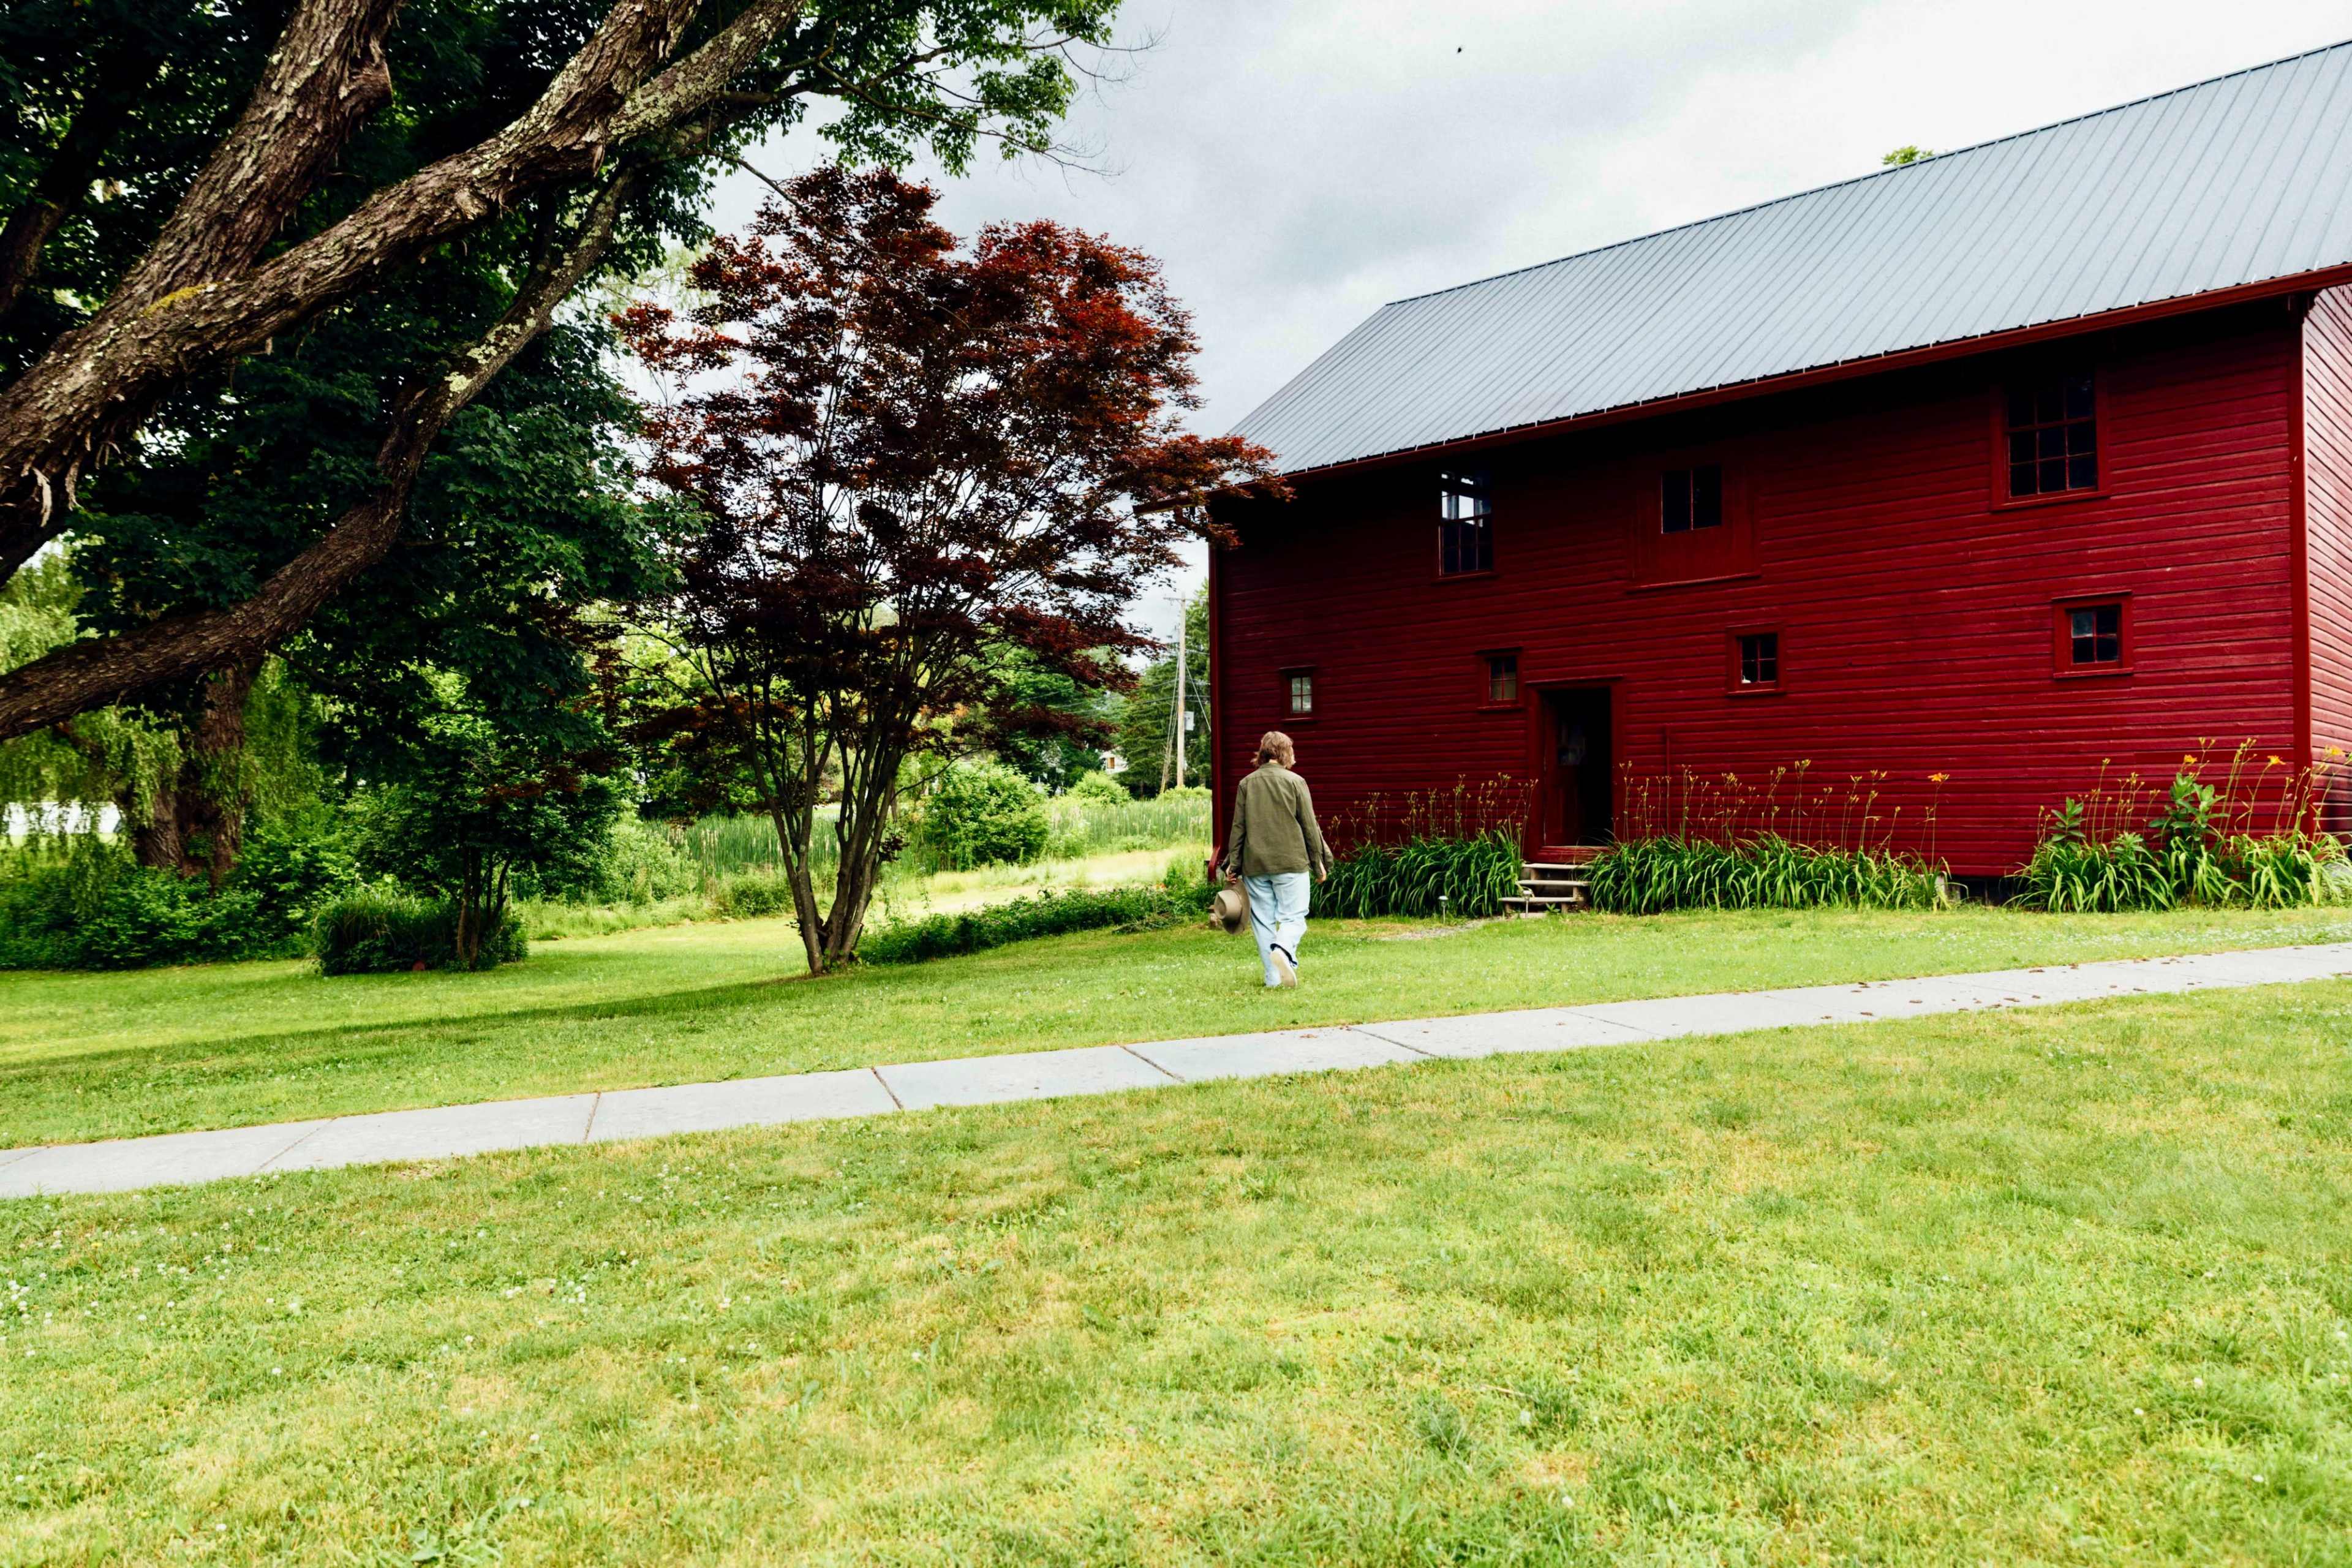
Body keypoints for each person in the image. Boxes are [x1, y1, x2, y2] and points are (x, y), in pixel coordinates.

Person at [1220, 729, 1331, 988]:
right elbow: (1309, 826)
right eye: (1292, 749)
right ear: (1284, 752)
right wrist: (1319, 863)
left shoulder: (1246, 784)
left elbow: (1239, 827)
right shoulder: (1296, 782)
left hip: (1255, 865)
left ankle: (1273, 979)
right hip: (1291, 861)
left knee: (1263, 922)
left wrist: (1233, 865)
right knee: (1294, 916)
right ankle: (1283, 949)